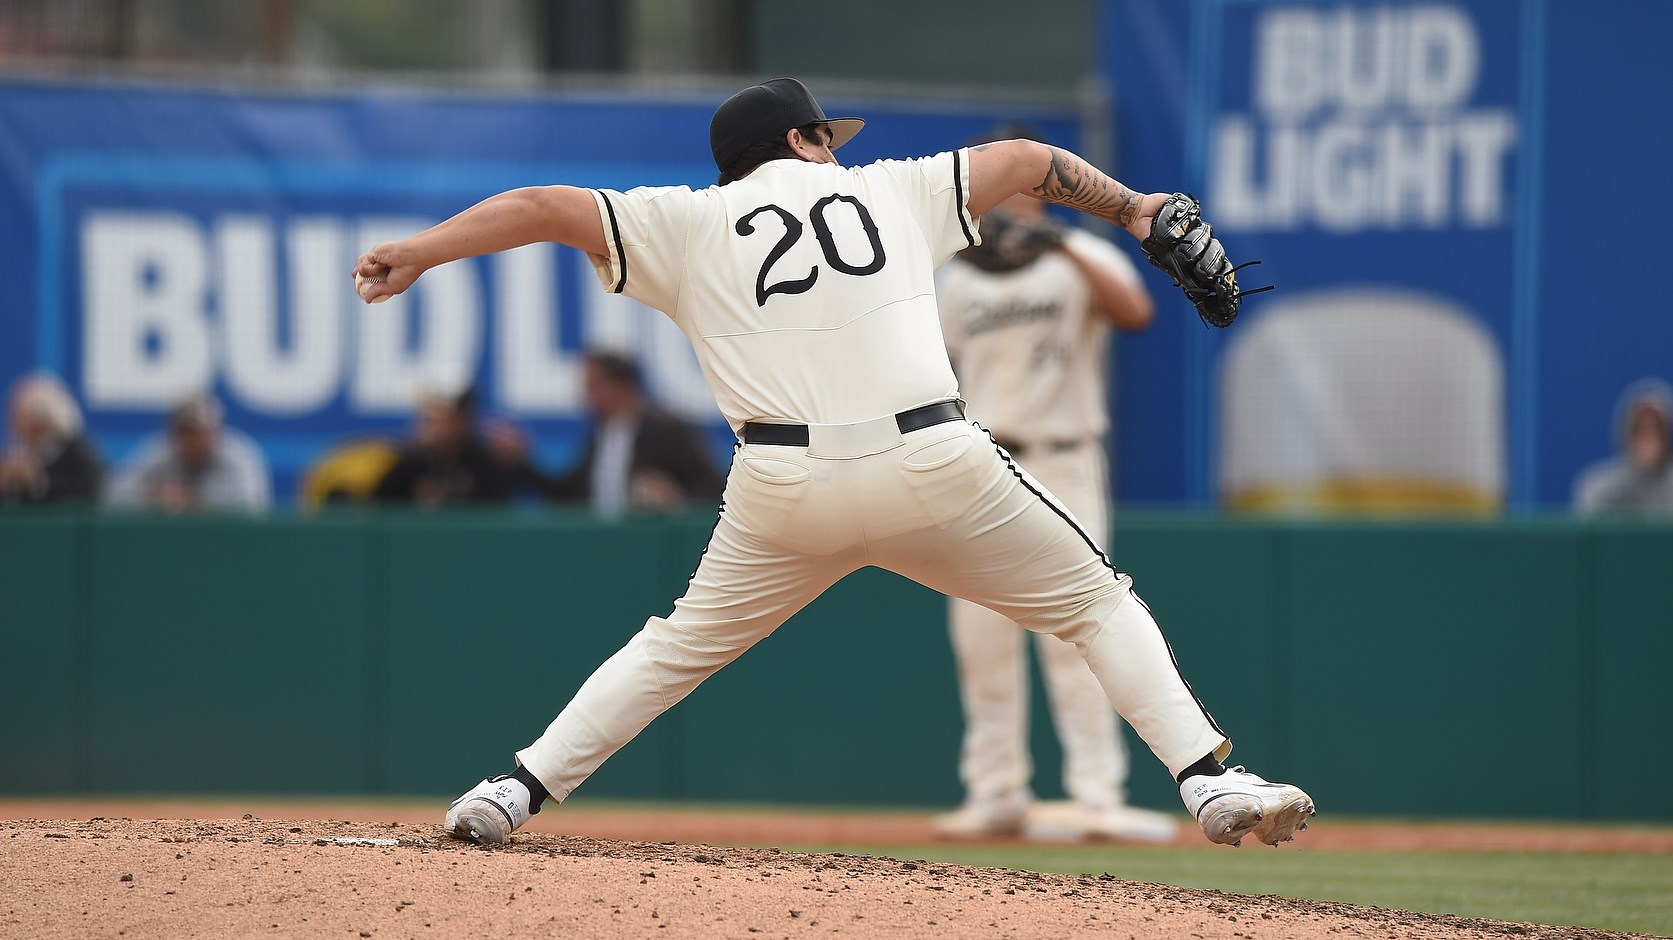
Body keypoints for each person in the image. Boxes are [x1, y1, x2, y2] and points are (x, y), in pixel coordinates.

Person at [351, 76, 1314, 849]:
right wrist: (1134, 208)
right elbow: (1028, 161)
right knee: (1096, 604)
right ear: (805, 141)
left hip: (782, 491)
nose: (838, 147)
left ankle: (509, 794)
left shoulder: (682, 224)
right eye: (827, 135)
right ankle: (1210, 781)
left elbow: (538, 204)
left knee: (673, 648)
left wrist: (424, 252)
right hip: (935, 460)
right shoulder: (888, 188)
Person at [930, 126, 1170, 842]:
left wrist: (1060, 243)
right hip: (980, 457)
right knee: (979, 631)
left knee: (1078, 626)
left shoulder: (1078, 252)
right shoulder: (959, 273)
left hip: (1062, 455)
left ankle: (1097, 797)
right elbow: (938, 366)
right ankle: (995, 792)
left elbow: (1135, 314)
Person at [524, 350, 725, 515]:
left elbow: (714, 486)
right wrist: (523, 461)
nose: (585, 398)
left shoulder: (669, 432)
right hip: (605, 545)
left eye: (592, 388)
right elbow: (571, 493)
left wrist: (676, 495)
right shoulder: (598, 435)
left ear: (619, 386)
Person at [105, 394, 270, 514]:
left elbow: (251, 504)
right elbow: (113, 494)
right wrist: (155, 496)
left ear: (215, 431)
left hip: (227, 546)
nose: (191, 439)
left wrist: (193, 500)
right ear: (172, 432)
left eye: (198, 432)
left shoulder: (239, 456)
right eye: (184, 431)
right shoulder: (161, 452)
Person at [372, 386, 523, 508]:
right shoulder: (410, 463)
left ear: (463, 418)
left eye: (441, 416)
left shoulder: (487, 465)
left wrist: (520, 463)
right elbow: (374, 508)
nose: (432, 424)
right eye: (428, 416)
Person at [1573, 378, 1673, 516]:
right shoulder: (1598, 484)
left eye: (1656, 430)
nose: (1649, 438)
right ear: (1627, 435)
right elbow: (1589, 517)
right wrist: (1637, 472)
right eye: (1641, 430)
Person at [0, 372, 103, 505]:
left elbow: (87, 492)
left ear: (40, 421)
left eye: (19, 417)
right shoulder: (16, 456)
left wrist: (36, 481)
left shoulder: (80, 454)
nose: (13, 425)